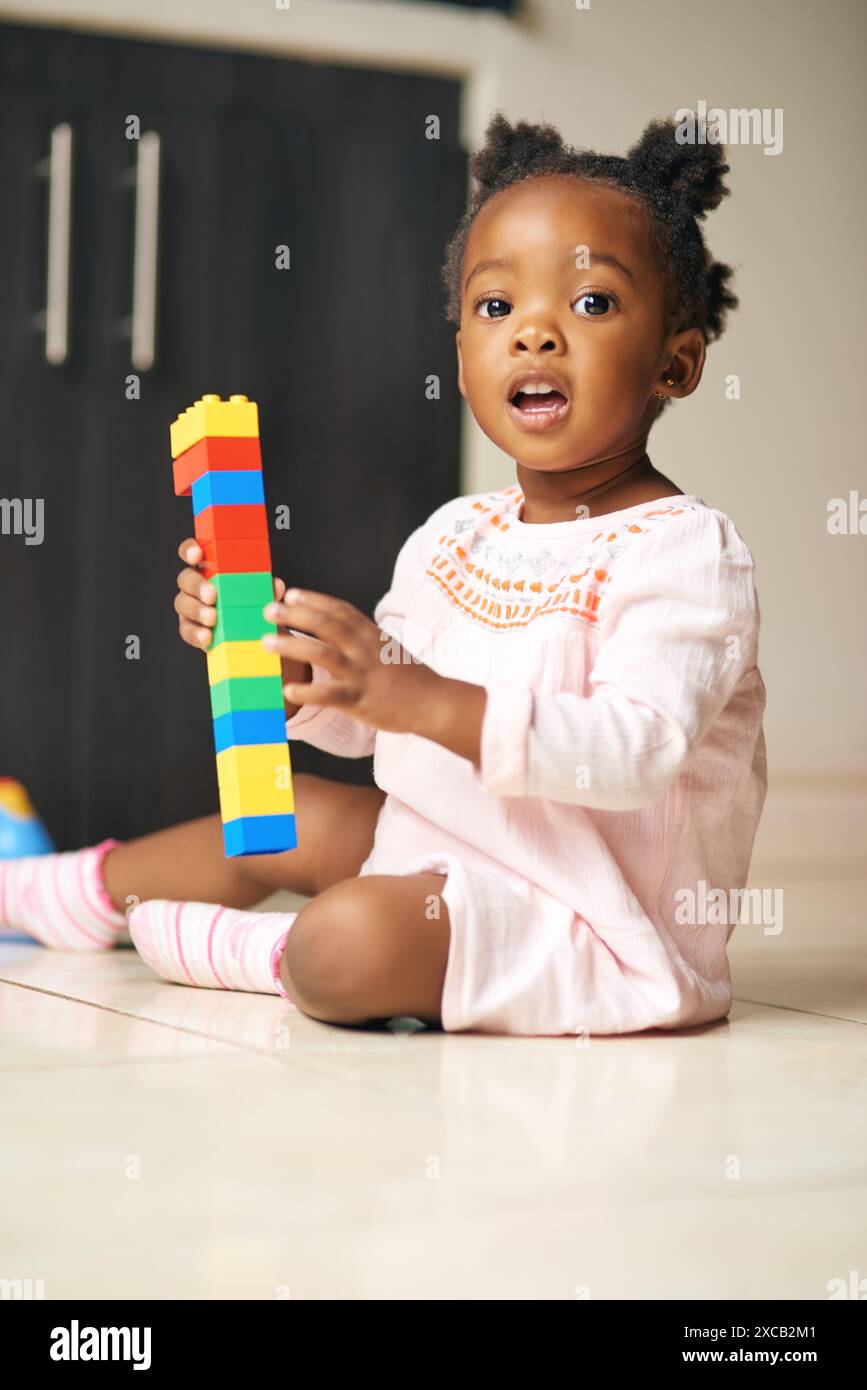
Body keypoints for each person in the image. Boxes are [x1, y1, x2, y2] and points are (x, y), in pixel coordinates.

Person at [0, 111, 767, 1037]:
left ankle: (267, 957)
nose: (534, 334)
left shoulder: (683, 550)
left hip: (583, 924)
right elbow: (384, 726)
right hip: (444, 848)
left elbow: (635, 751)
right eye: (495, 308)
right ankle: (42, 892)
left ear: (676, 364)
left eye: (591, 303)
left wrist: (410, 692)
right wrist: (308, 674)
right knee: (288, 809)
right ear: (461, 354)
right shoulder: (456, 532)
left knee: (350, 939)